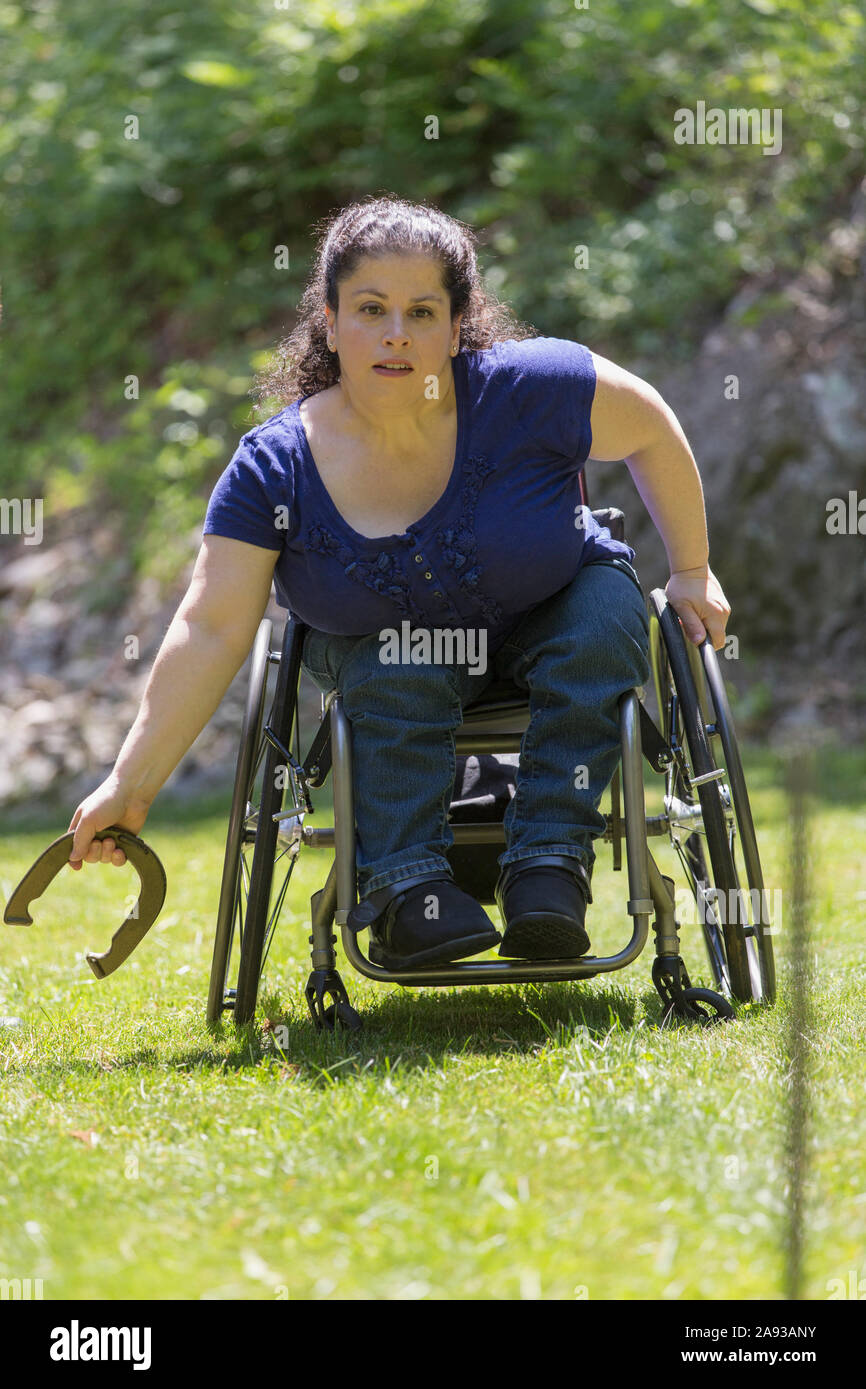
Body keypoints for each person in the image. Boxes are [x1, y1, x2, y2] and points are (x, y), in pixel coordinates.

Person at [67, 195, 731, 970]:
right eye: (371, 309)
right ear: (330, 318)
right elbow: (212, 626)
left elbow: (650, 426)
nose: (395, 334)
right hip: (386, 657)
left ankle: (549, 863)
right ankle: (410, 888)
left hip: (552, 609)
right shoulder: (274, 467)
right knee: (397, 666)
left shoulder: (530, 389)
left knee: (606, 612)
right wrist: (130, 783)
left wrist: (693, 571)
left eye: (422, 312)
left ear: (458, 325)